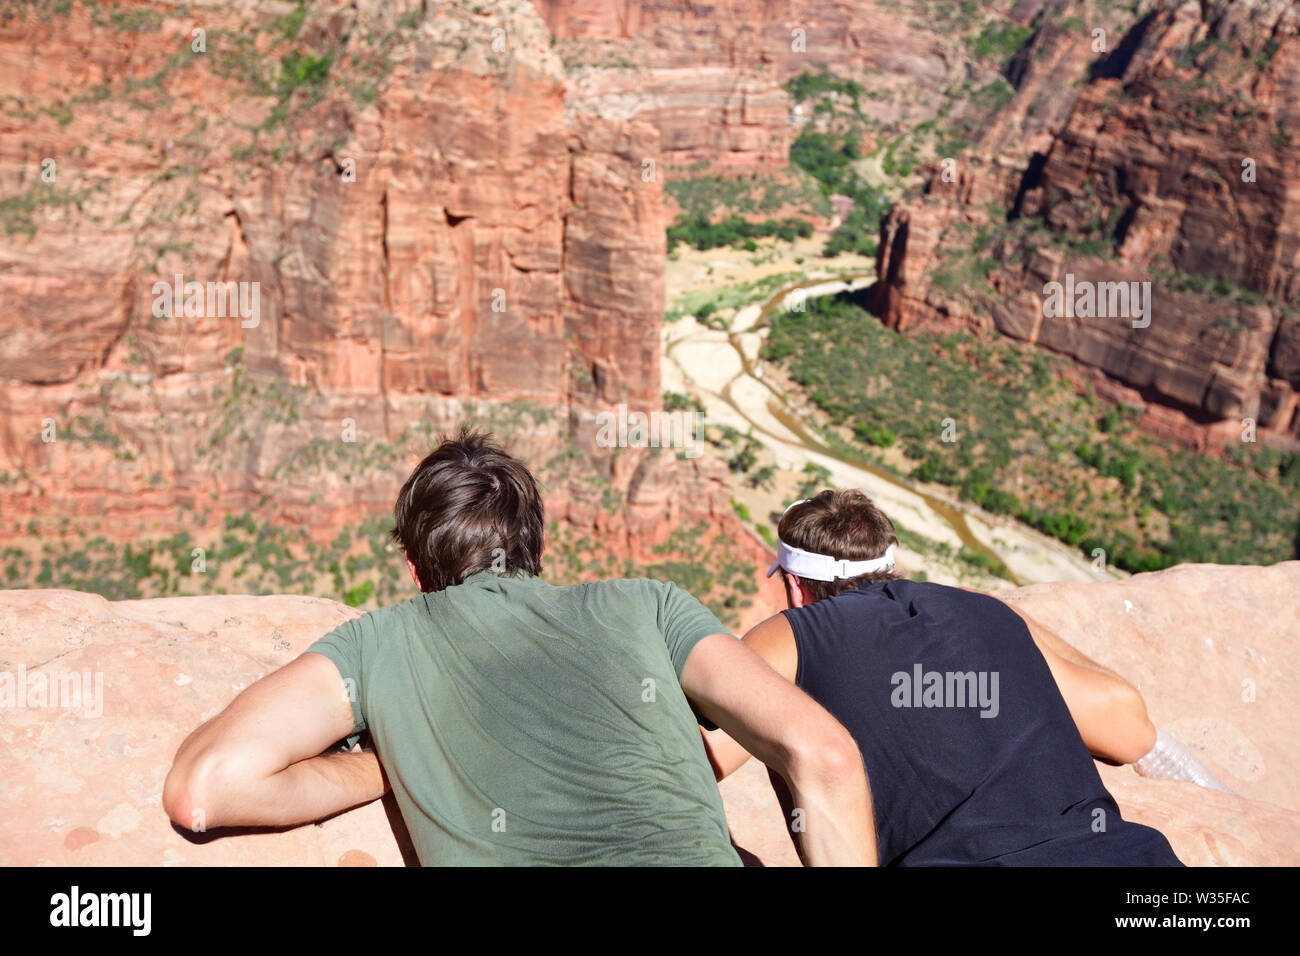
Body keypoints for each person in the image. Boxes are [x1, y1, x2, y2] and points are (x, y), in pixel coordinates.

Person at [162, 429, 875, 866]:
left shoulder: (378, 644)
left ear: (415, 569)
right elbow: (826, 753)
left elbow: (206, 788)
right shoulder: (650, 604)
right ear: (537, 547)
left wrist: (387, 763)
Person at [702, 489, 1184, 866]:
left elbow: (705, 758)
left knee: (784, 729)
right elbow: (1133, 735)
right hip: (1132, 862)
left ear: (793, 586)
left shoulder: (791, 635)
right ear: (891, 564)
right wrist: (1015, 620)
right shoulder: (982, 612)